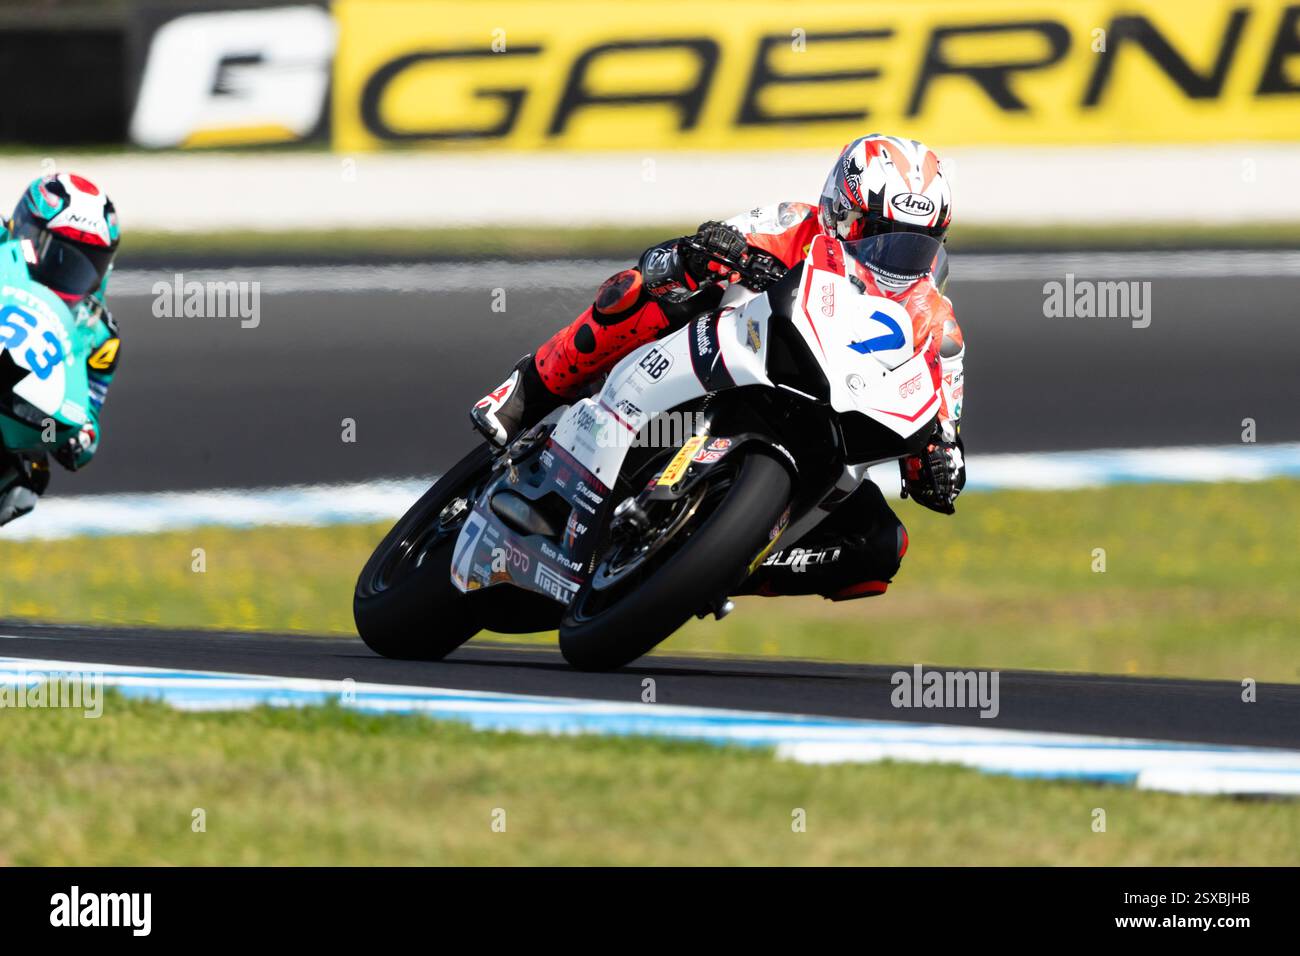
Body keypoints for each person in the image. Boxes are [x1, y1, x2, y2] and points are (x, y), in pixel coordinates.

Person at [471, 135, 965, 600]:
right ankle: (530, 388)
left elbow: (943, 417)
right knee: (648, 281)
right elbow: (700, 245)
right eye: (878, 236)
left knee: (880, 547)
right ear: (841, 211)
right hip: (735, 352)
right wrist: (718, 252)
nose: (894, 259)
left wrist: (941, 461)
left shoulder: (938, 325)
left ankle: (709, 563)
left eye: (915, 246)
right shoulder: (795, 223)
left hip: (825, 425)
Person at [0, 173, 121, 526]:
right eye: (52, 252)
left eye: (83, 262)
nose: (63, 270)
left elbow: (89, 422)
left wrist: (76, 437)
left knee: (28, 480)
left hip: (18, 421)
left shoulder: (99, 337)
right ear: (22, 230)